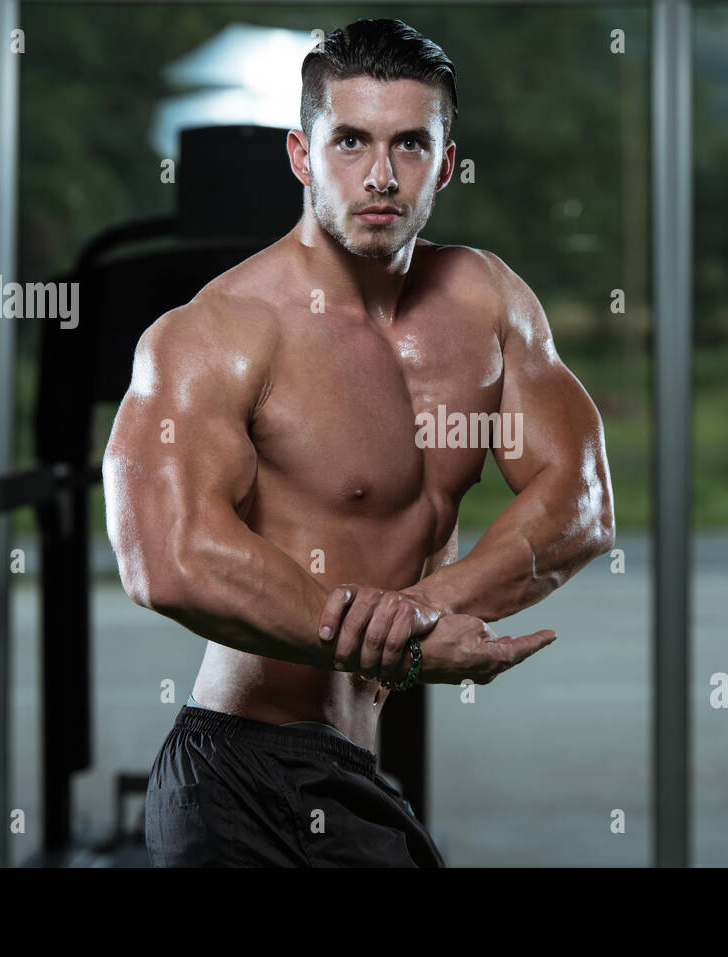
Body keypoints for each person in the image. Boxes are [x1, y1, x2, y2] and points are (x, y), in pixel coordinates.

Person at [104, 17, 615, 867]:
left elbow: (581, 499)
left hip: (353, 767)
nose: (381, 175)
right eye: (350, 141)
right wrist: (405, 641)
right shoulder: (220, 331)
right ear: (302, 156)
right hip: (238, 773)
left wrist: (427, 607)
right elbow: (166, 556)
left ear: (447, 162)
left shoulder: (487, 303)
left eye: (410, 144)